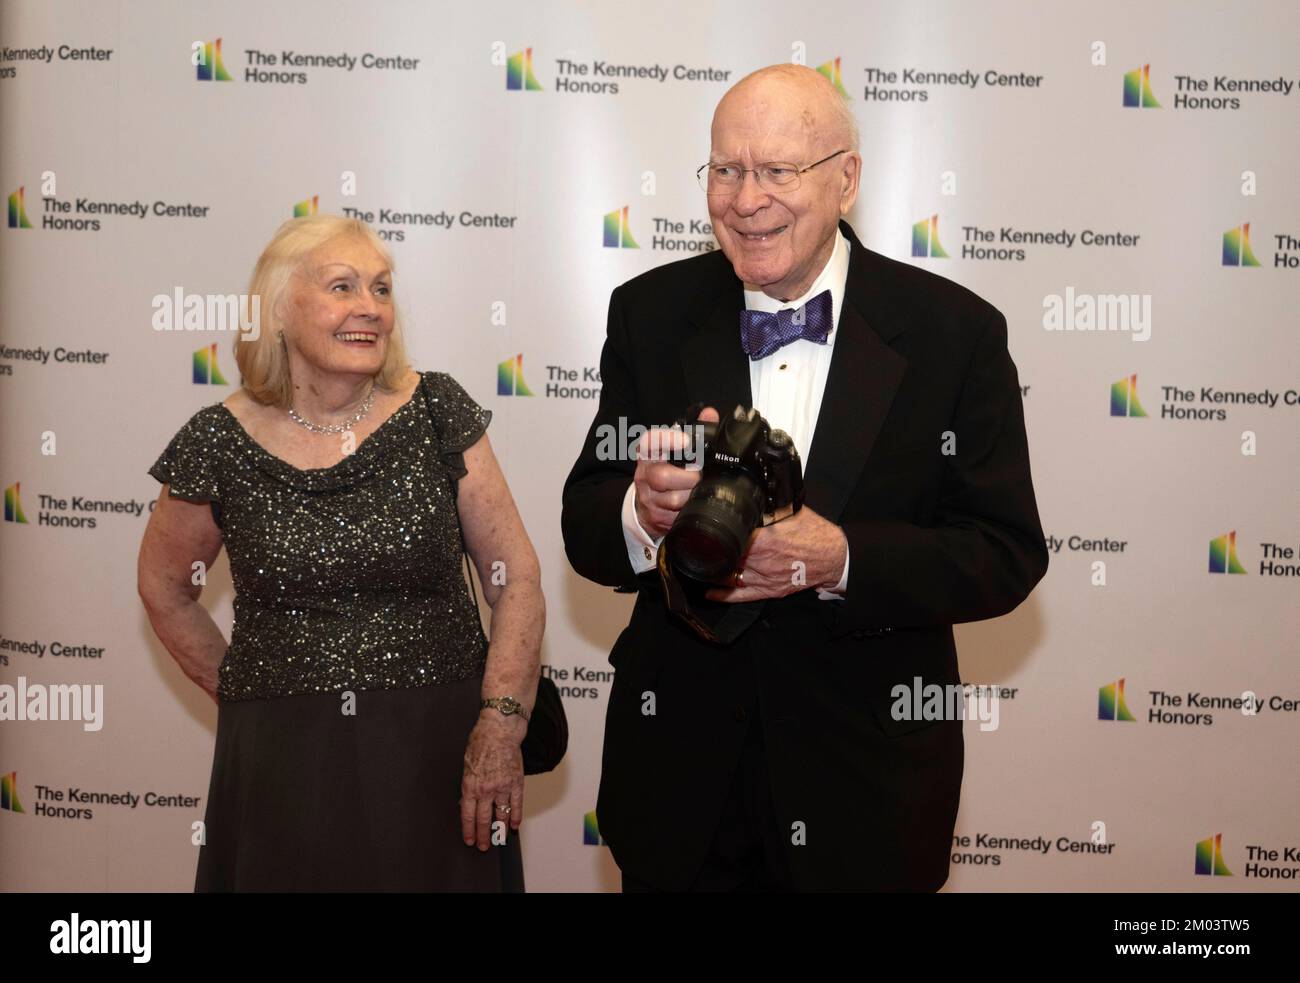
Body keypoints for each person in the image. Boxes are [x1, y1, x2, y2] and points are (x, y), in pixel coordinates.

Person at [561, 64, 1048, 892]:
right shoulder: (649, 312)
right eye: (725, 169)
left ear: (846, 178)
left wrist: (843, 558)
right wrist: (643, 516)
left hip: (867, 797)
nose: (745, 199)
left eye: (777, 170)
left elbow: (1004, 552)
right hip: (681, 793)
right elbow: (585, 522)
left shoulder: (953, 333)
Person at [138, 214, 543, 891]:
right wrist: (251, 693)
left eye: (381, 289)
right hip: (285, 769)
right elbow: (164, 585)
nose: (370, 308)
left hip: (440, 759)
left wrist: (500, 727)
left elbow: (517, 579)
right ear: (278, 309)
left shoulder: (438, 411)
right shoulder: (218, 441)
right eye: (343, 286)